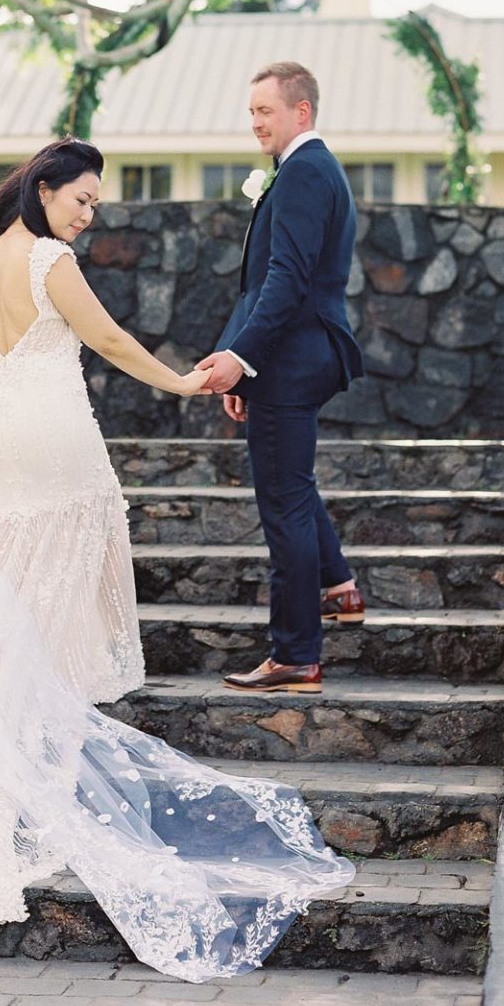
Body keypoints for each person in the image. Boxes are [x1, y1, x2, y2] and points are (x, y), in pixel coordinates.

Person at [0, 137, 354, 981]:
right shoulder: (47, 258)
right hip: (52, 441)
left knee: (6, 613)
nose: (87, 214)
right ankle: (22, 786)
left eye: (94, 205)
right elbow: (104, 338)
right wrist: (187, 382)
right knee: (52, 596)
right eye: (81, 199)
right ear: (46, 188)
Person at [197, 63, 366, 696]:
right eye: (251, 112)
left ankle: (295, 654)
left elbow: (284, 281)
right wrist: (245, 361)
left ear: (301, 112)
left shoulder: (303, 173)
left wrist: (241, 358)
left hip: (291, 356)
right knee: (294, 485)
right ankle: (338, 585)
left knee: (283, 502)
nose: (255, 123)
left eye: (264, 111)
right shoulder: (315, 170)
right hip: (298, 354)